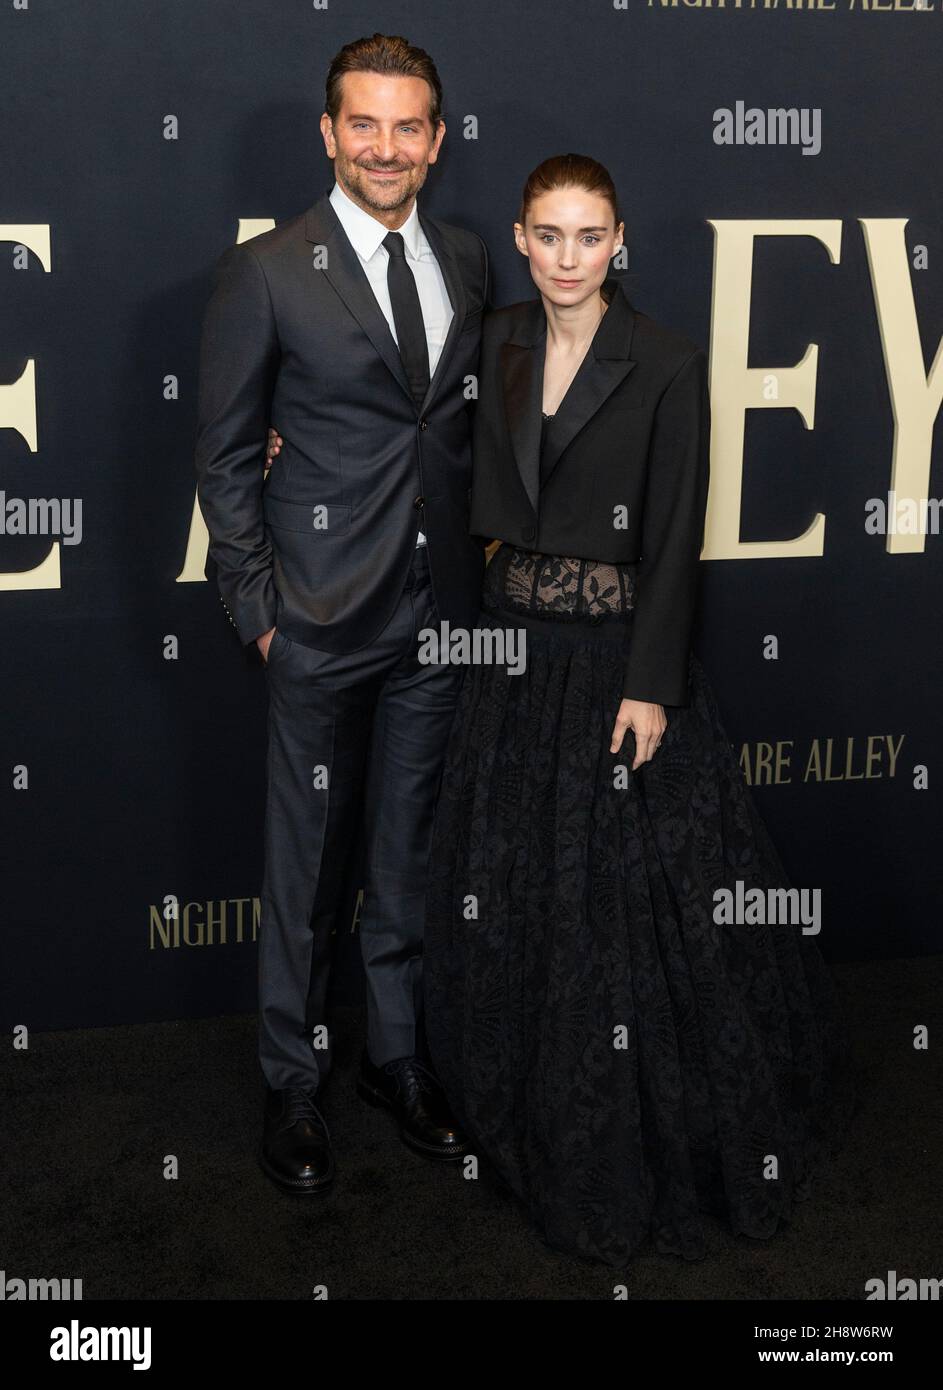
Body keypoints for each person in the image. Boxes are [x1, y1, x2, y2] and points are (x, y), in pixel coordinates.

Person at [421, 154, 857, 1266]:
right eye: (548, 235)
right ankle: (508, 1106)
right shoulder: (496, 339)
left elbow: (675, 536)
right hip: (508, 659)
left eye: (589, 235)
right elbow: (426, 446)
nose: (568, 258)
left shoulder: (664, 359)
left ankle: (631, 1138)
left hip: (612, 662)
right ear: (521, 238)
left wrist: (650, 683)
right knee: (515, 891)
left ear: (620, 240)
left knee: (615, 911)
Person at [195, 34, 489, 1195]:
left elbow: (457, 427)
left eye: (406, 125)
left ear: (436, 139)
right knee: (305, 866)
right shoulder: (267, 271)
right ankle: (292, 1080)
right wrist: (259, 608)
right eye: (362, 124)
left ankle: (397, 1058)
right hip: (315, 617)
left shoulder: (466, 258)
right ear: (328, 134)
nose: (384, 146)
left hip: (437, 615)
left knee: (407, 850)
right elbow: (222, 457)